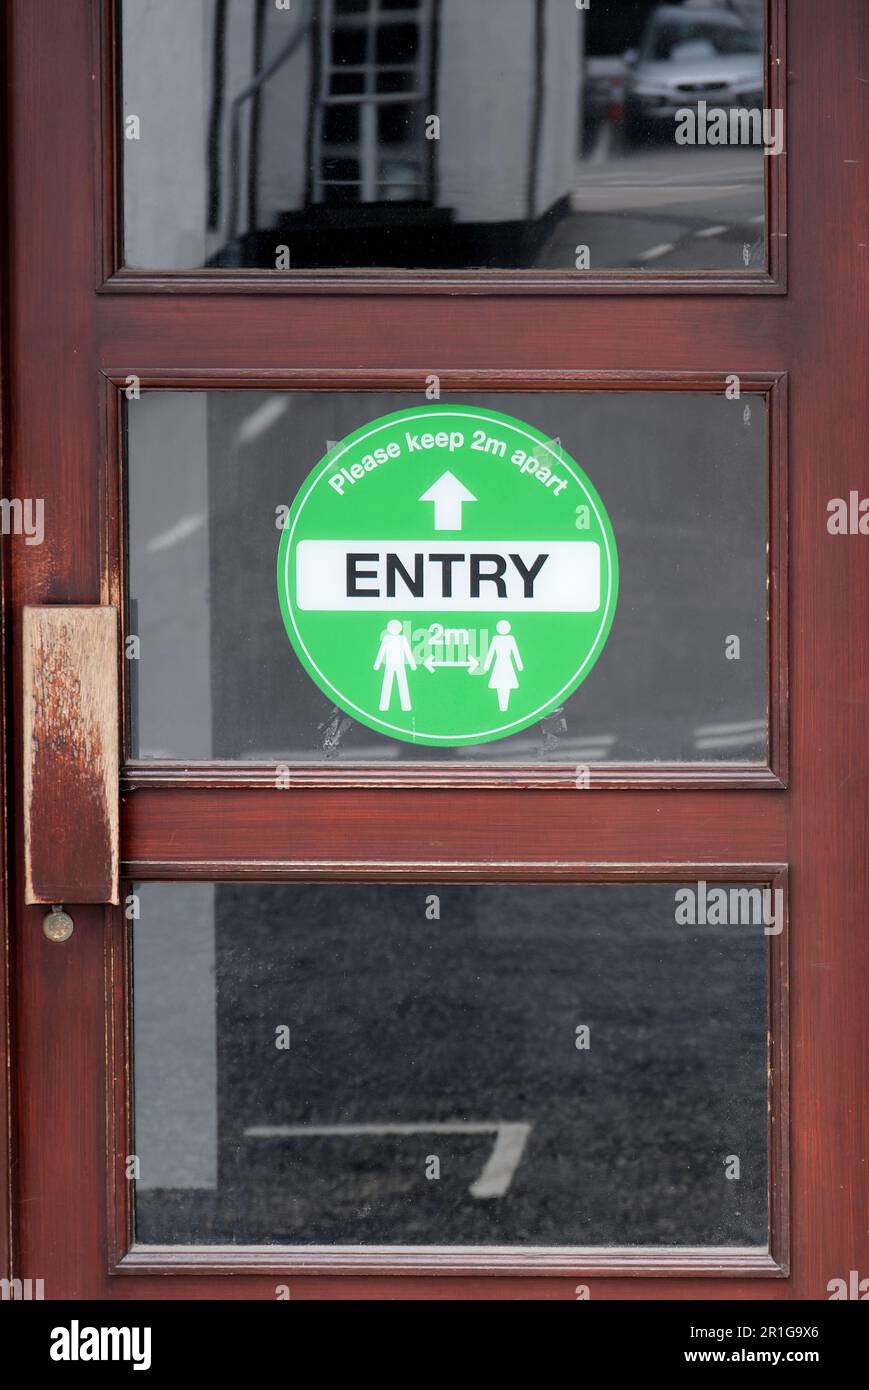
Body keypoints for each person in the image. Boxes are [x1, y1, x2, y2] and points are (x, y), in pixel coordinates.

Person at [374, 619, 416, 712]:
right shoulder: (394, 639)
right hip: (393, 664)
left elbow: (407, 652)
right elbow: (382, 652)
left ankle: (386, 706)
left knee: (392, 683)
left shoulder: (400, 639)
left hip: (396, 664)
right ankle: (404, 706)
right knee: (396, 683)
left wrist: (377, 665)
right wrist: (412, 665)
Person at [483, 620, 523, 713]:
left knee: (506, 684)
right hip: (503, 664)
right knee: (500, 684)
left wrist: (486, 666)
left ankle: (504, 707)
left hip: (503, 664)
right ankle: (502, 707)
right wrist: (487, 665)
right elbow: (491, 652)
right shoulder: (497, 639)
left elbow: (515, 652)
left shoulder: (507, 638)